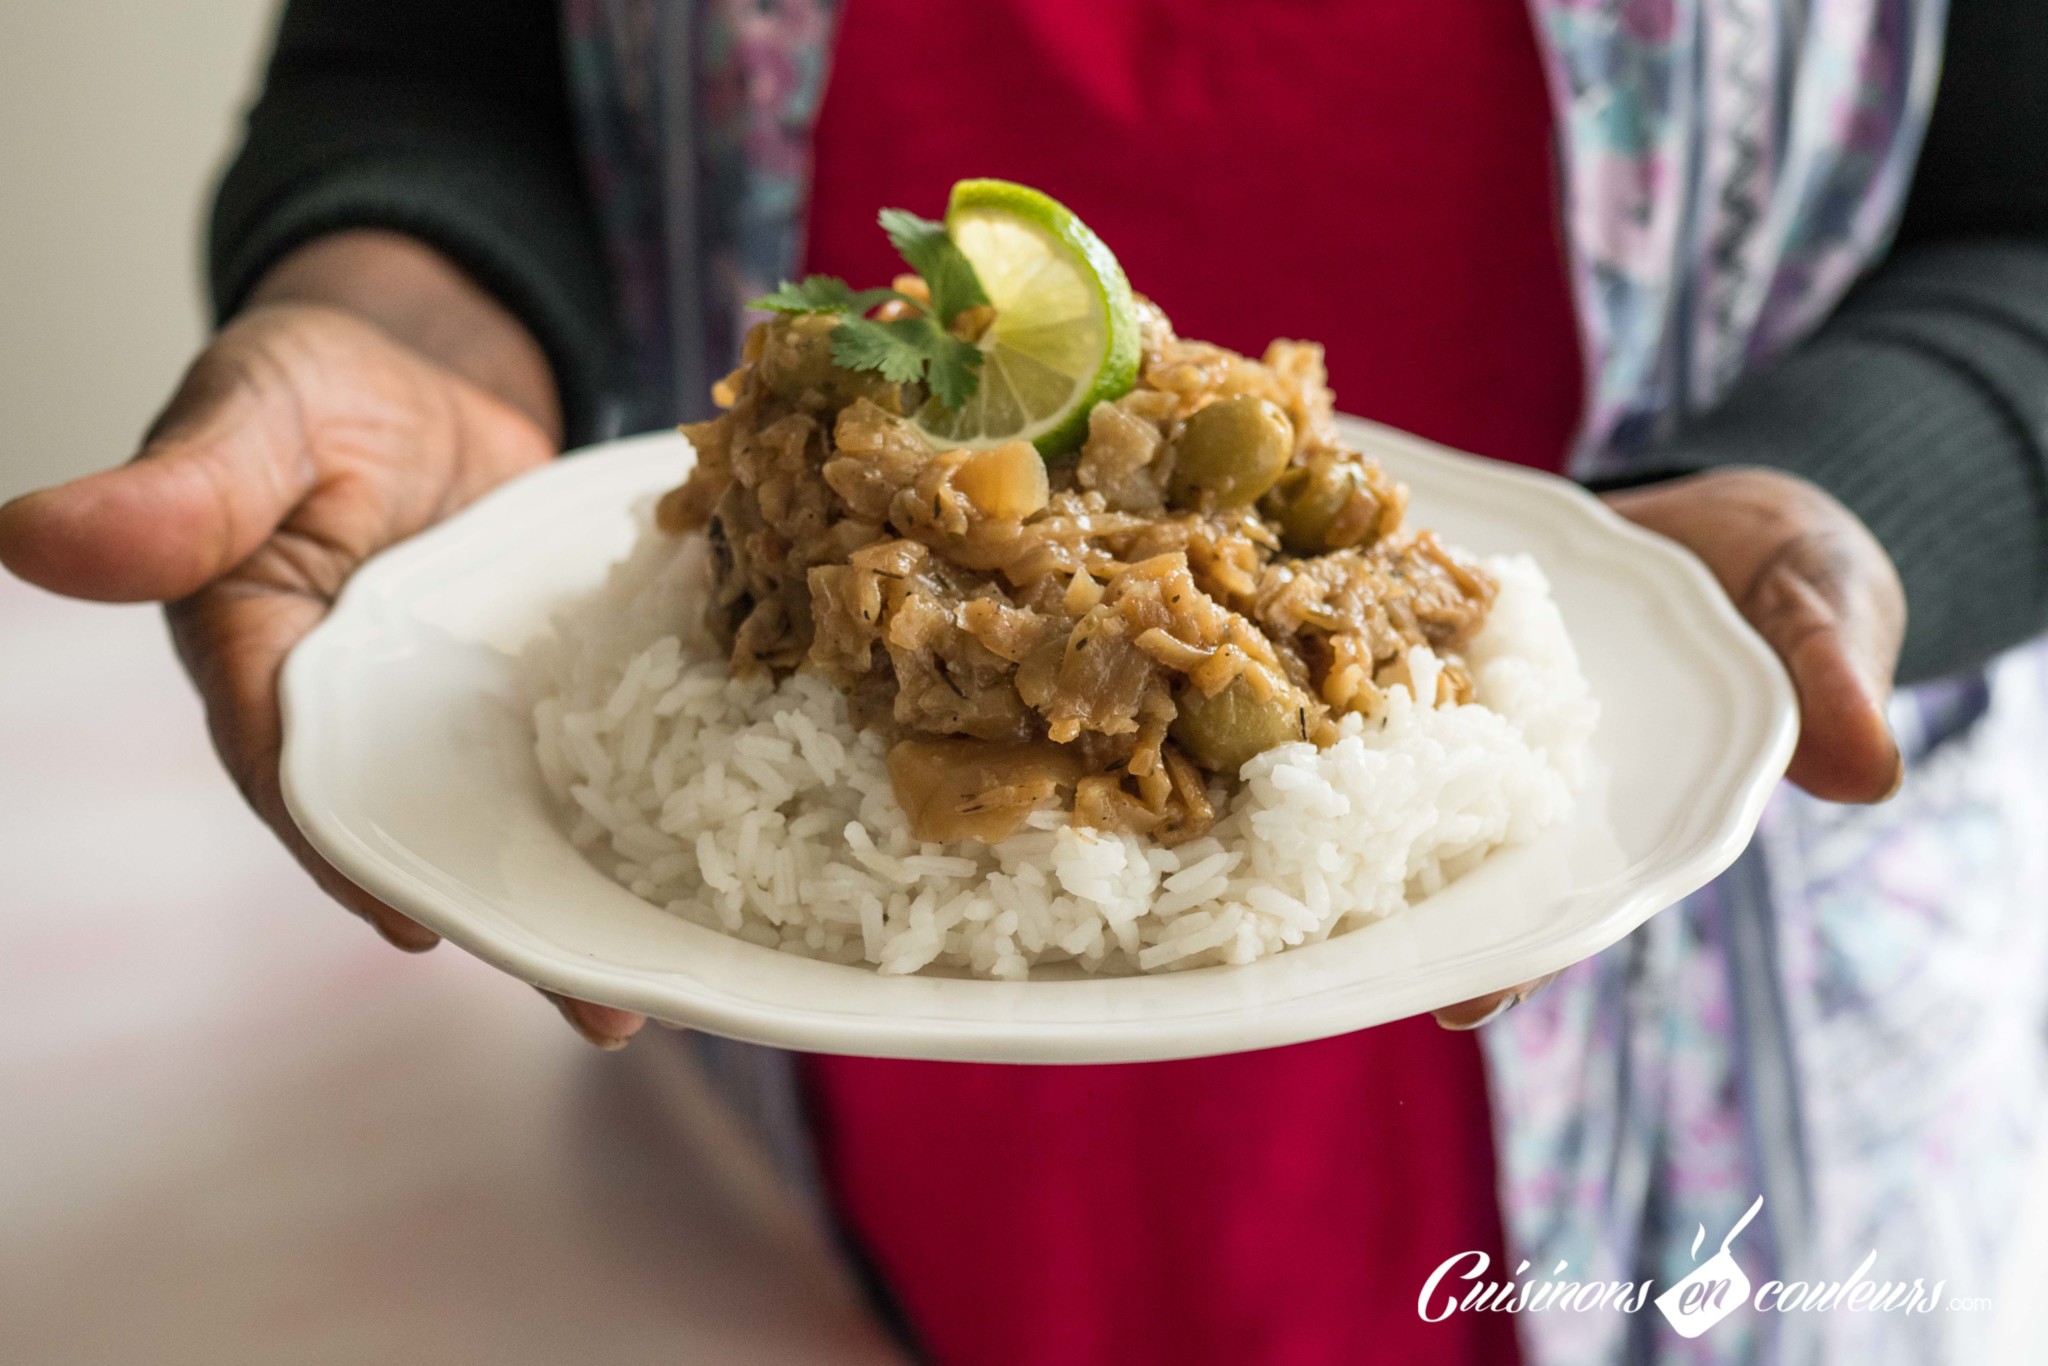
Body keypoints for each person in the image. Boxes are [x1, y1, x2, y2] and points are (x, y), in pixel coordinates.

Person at [3, 1, 2045, 1361]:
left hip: (1721, 1059)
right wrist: (397, 291)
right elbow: (432, 55)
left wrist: (1869, 491)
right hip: (761, 1074)